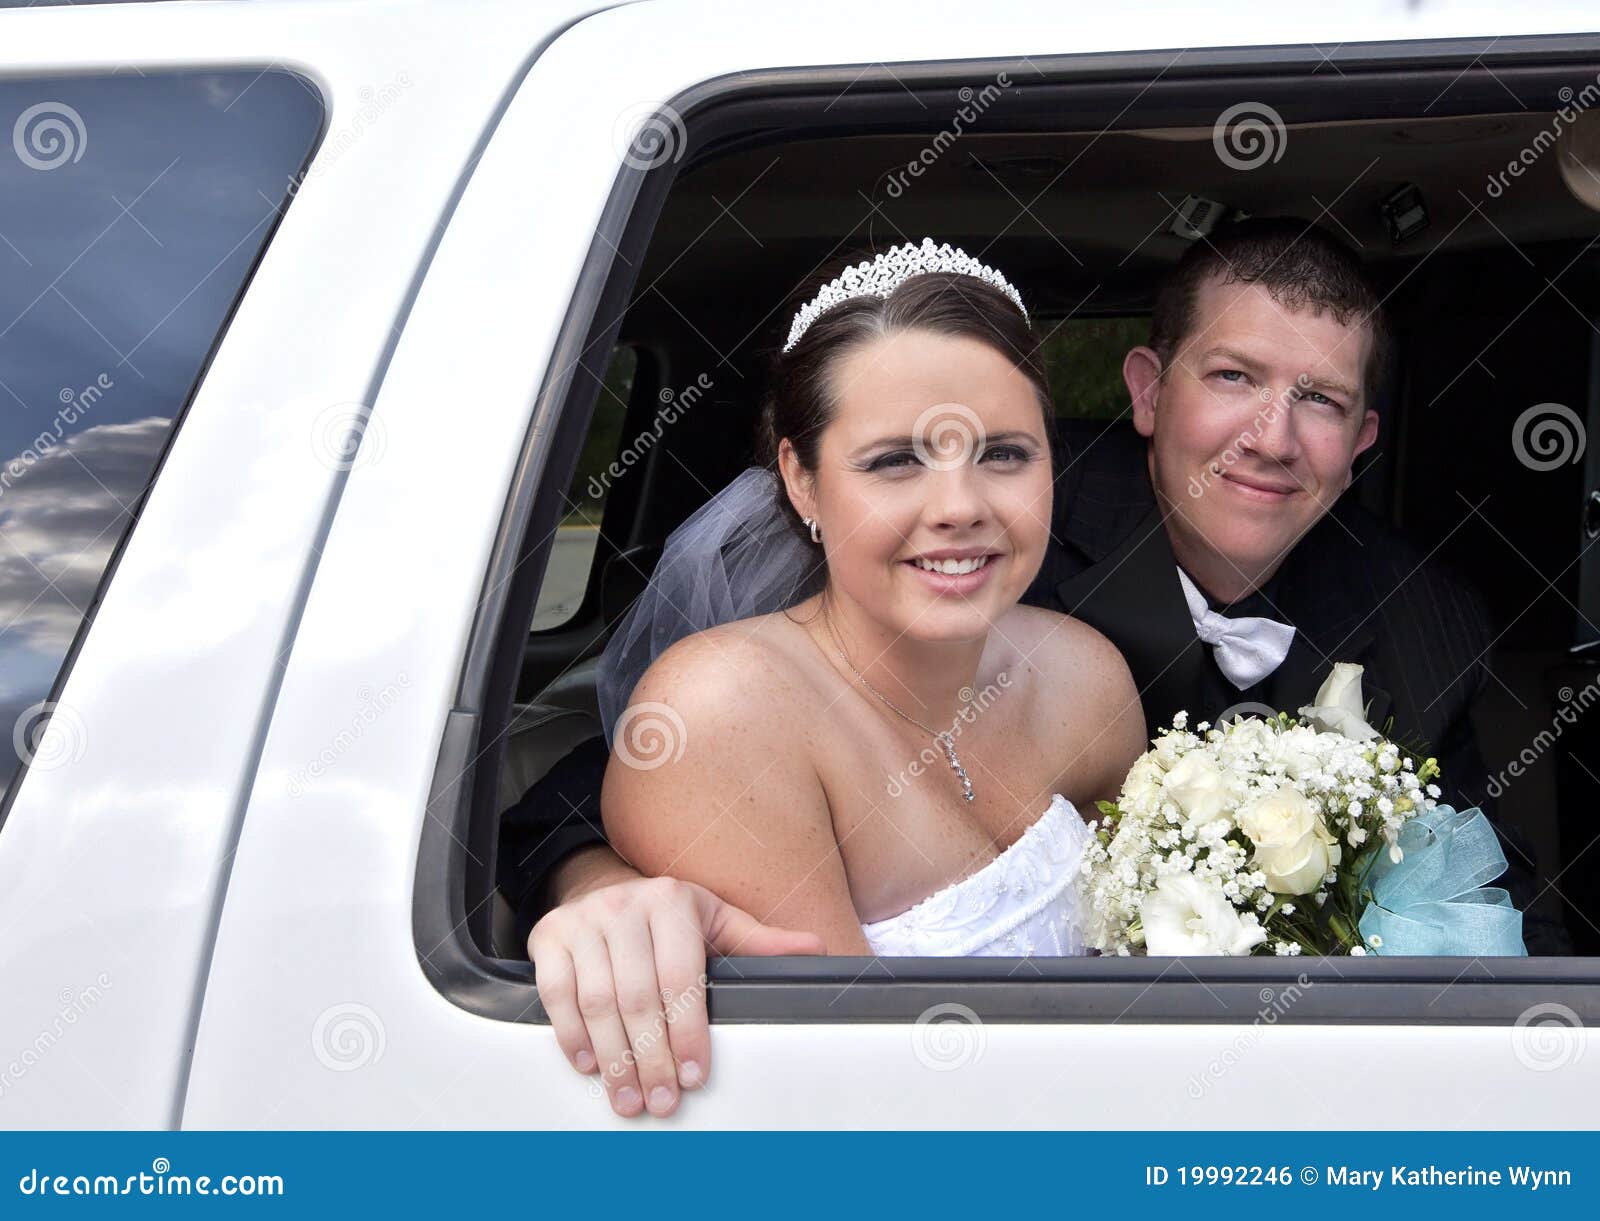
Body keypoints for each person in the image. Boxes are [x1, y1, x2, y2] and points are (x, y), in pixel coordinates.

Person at [500, 218, 1566, 1119]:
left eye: (1320, 400)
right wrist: (595, 884)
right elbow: (652, 771)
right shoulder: (969, 571)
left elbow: (1489, 899)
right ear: (1144, 393)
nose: (1271, 438)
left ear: (1364, 437)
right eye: (1233, 377)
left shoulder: (1408, 622)